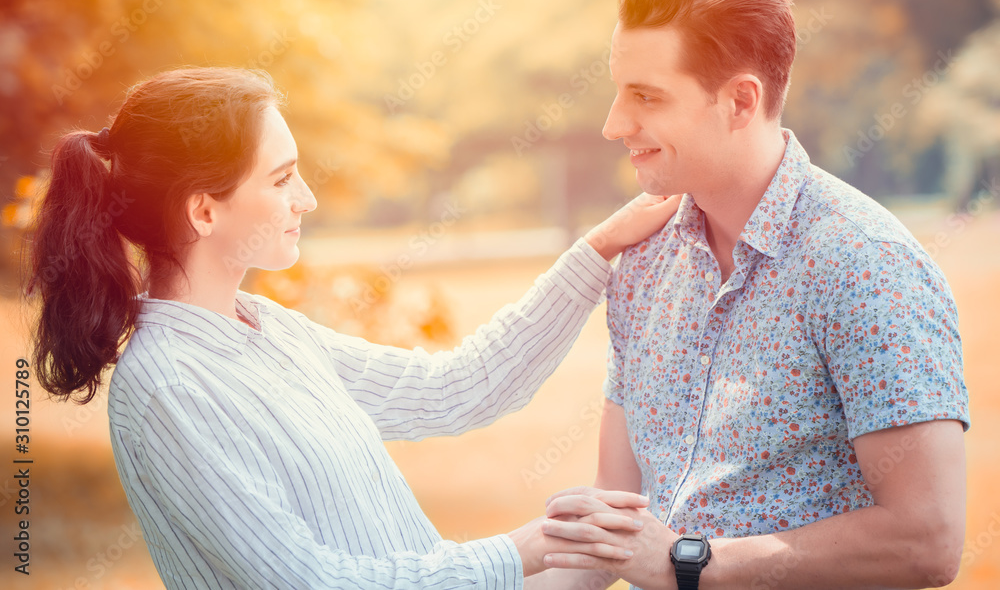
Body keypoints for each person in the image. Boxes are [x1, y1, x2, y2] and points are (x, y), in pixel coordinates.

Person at [25, 66, 679, 589]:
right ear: (203, 209)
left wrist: (597, 250)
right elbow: (314, 580)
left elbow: (458, 387)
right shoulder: (166, 388)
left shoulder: (270, 329)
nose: (306, 197)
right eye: (282, 179)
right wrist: (527, 548)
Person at [530, 0, 970, 590]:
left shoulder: (865, 263)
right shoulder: (645, 260)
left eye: (646, 96)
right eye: (618, 90)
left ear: (740, 101)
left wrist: (690, 562)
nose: (613, 124)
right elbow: (617, 521)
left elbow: (928, 539)